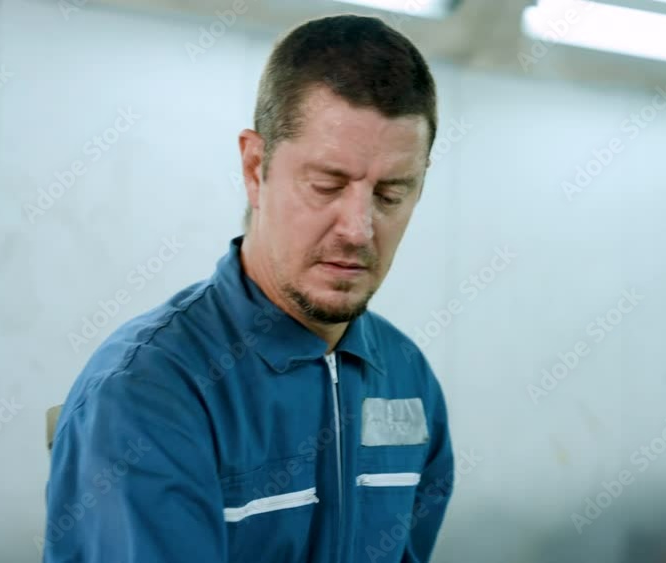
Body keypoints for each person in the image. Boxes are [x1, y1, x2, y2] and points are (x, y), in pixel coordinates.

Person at [44, 13, 454, 563]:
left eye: (391, 194)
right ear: (255, 166)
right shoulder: (149, 394)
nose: (357, 229)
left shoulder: (407, 378)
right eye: (326, 185)